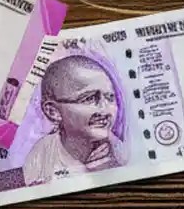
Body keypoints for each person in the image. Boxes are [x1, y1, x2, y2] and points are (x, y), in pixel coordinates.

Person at [23, 55, 124, 185]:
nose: (104, 111)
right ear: (53, 112)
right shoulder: (41, 156)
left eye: (110, 98)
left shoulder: (121, 152)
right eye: (89, 99)